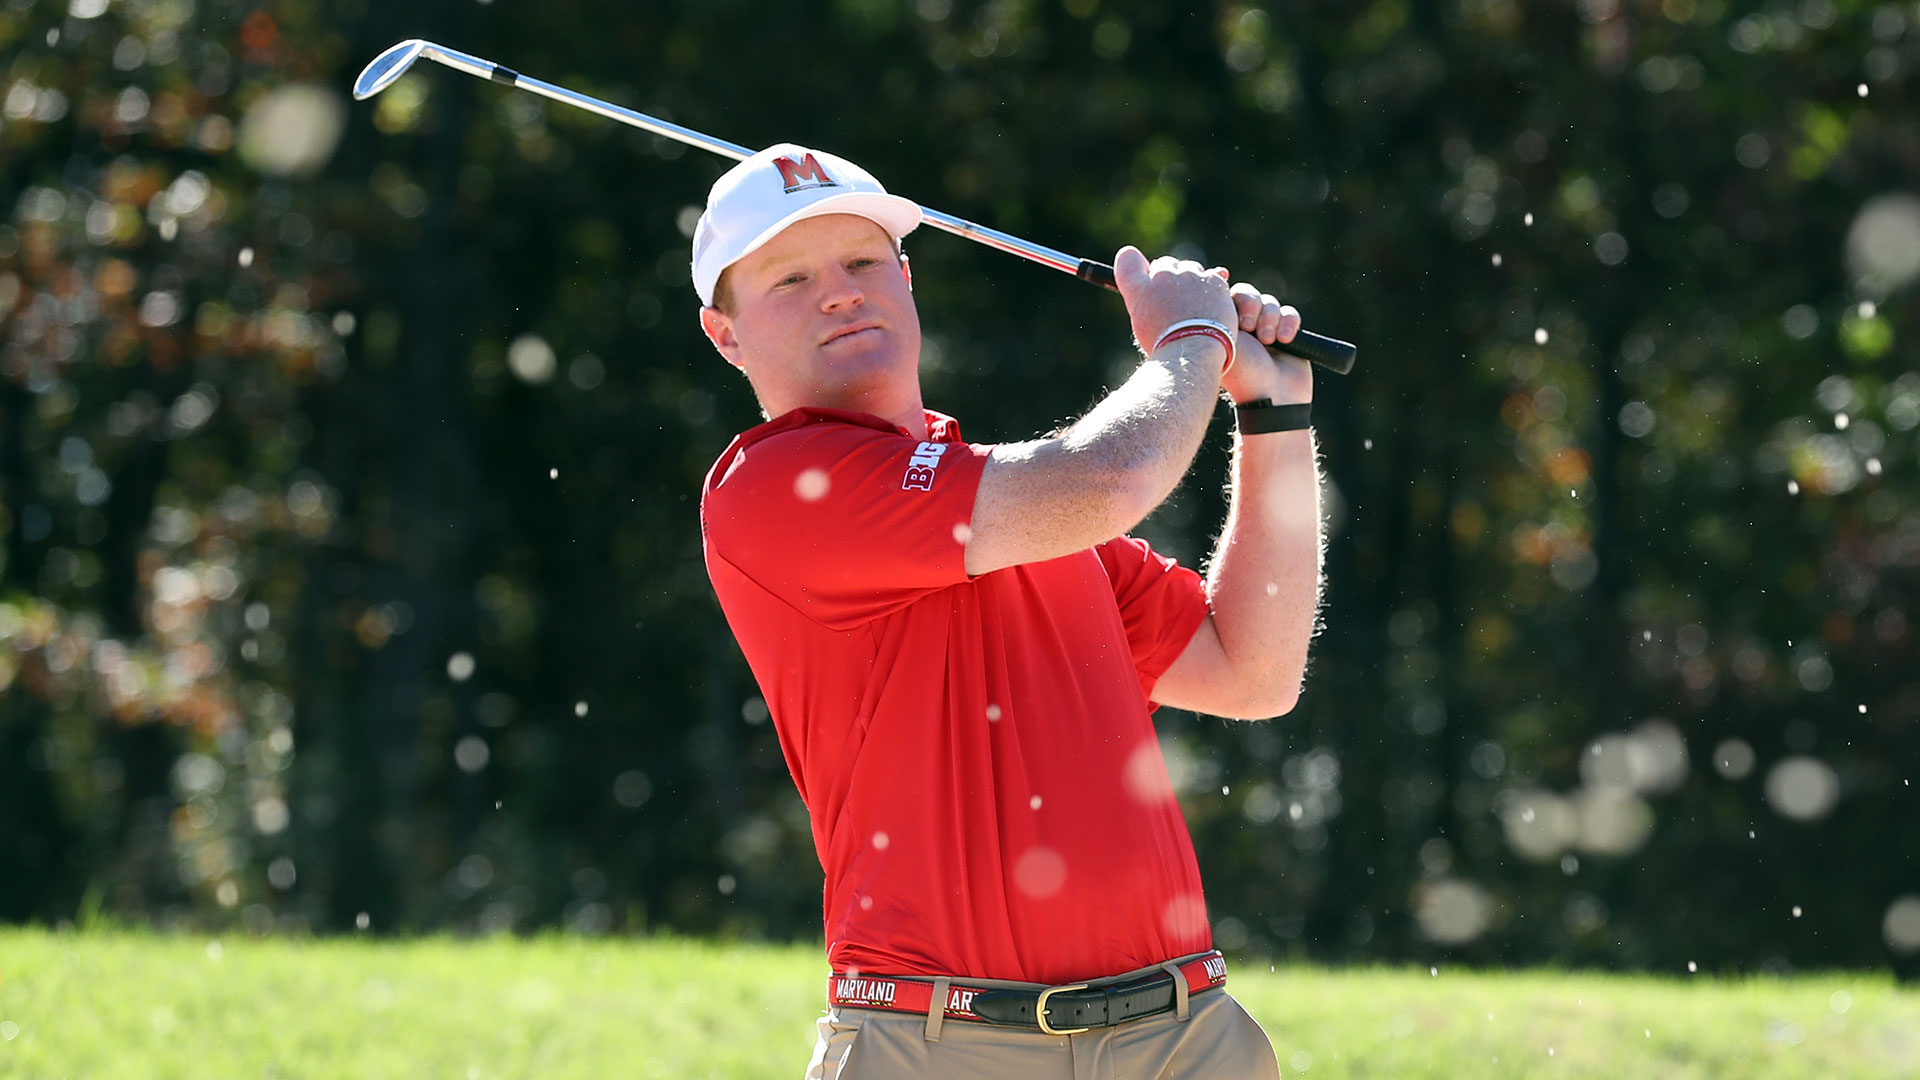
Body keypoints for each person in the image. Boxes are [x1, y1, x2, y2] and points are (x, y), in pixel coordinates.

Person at [693, 143, 1324, 1080]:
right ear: (726, 335)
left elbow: (1252, 671)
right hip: (938, 1042)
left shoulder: (1030, 514)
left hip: (1184, 1034)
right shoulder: (773, 487)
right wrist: (1193, 344)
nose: (840, 293)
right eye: (790, 278)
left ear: (907, 281)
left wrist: (1274, 418)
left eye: (863, 263)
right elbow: (1110, 476)